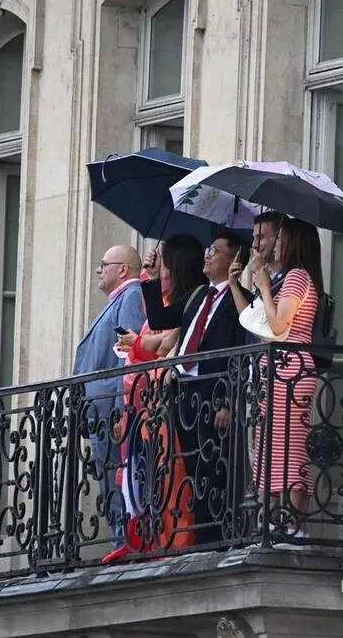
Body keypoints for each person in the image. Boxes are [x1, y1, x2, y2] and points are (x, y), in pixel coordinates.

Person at [143, 230, 253, 545]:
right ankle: (203, 536)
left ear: (234, 259)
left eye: (215, 250)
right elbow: (159, 316)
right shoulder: (196, 296)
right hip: (186, 392)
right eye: (208, 248)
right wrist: (152, 279)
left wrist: (228, 402)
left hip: (214, 395)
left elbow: (238, 352)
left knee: (216, 469)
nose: (207, 254)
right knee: (193, 468)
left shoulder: (241, 300)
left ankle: (218, 537)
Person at [110, 234, 206, 556]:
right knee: (148, 479)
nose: (161, 271)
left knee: (168, 478)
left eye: (165, 265)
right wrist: (150, 279)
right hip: (145, 405)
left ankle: (170, 540)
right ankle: (145, 539)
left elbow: (163, 344)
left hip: (166, 402)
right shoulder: (178, 300)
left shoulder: (197, 298)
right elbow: (158, 327)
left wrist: (140, 343)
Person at [230, 218, 322, 538]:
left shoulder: (297, 277)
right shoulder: (286, 278)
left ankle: (292, 524)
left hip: (290, 368)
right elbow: (257, 322)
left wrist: (265, 284)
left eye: (279, 238)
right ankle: (279, 520)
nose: (275, 244)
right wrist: (239, 285)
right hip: (277, 369)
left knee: (289, 449)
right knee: (270, 449)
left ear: (293, 241)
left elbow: (280, 327)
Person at [72, 245, 147, 546]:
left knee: (115, 481)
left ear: (122, 270)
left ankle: (123, 545)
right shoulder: (121, 297)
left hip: (109, 410)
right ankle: (120, 543)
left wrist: (120, 409)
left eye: (104, 264)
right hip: (100, 408)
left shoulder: (130, 296)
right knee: (109, 482)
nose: (99, 270)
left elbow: (126, 358)